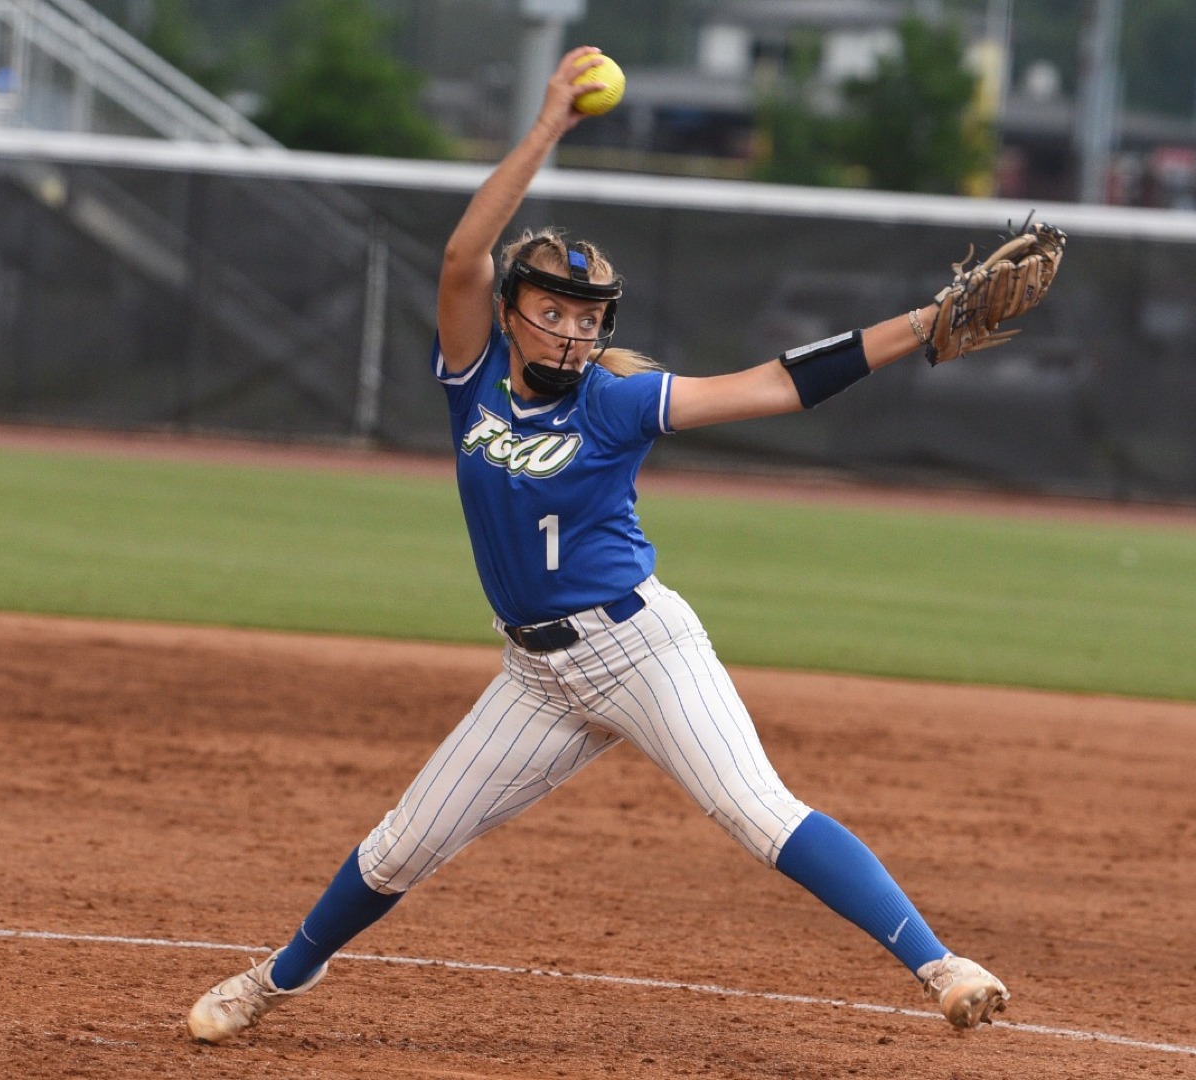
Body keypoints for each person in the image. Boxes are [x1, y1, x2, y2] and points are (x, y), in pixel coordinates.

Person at [187, 45, 1011, 1046]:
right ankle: (270, 983)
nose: (573, 330)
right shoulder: (472, 380)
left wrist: (923, 325)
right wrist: (547, 128)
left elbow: (771, 384)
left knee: (757, 812)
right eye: (553, 309)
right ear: (512, 314)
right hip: (533, 677)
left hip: (642, 648)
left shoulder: (617, 401)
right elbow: (458, 259)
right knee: (401, 847)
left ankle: (941, 966)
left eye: (588, 316)